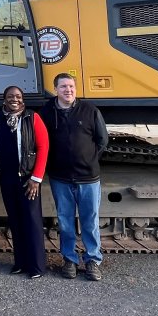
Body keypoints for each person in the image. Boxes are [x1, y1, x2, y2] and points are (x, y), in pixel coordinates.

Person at [39, 73, 108, 281]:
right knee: (65, 222)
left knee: (90, 221)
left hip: (88, 178)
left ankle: (93, 260)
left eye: (70, 86)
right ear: (56, 89)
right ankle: (69, 259)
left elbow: (102, 140)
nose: (68, 90)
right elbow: (41, 142)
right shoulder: (47, 112)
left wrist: (89, 160)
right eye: (63, 87)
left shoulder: (89, 110)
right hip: (60, 178)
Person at [0, 85, 49, 279]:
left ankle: (37, 266)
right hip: (7, 178)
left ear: (23, 99)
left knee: (31, 221)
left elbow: (43, 147)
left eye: (17, 96)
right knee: (15, 221)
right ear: (4, 99)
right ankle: (20, 262)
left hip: (28, 179)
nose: (14, 99)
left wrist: (36, 178)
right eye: (10, 96)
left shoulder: (32, 118)